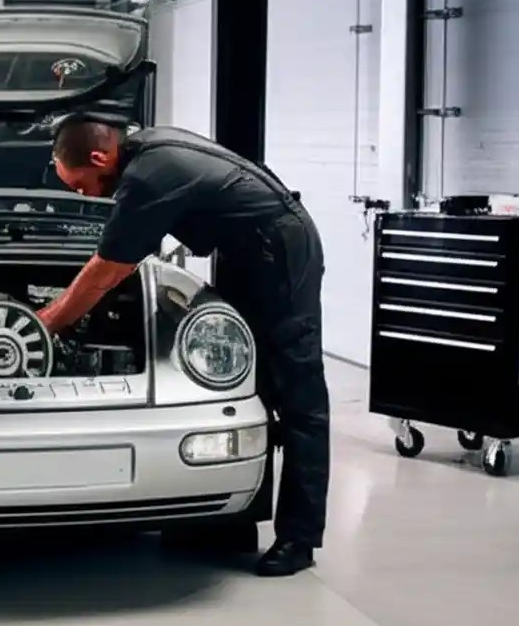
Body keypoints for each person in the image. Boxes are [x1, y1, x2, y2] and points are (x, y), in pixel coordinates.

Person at [34, 115, 330, 577]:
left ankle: (300, 539)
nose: (83, 195)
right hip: (247, 247)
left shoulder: (150, 176)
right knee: (246, 384)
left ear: (99, 157)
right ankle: (231, 523)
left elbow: (109, 270)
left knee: (297, 394)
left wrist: (47, 322)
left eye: (81, 185)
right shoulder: (141, 149)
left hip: (279, 250)